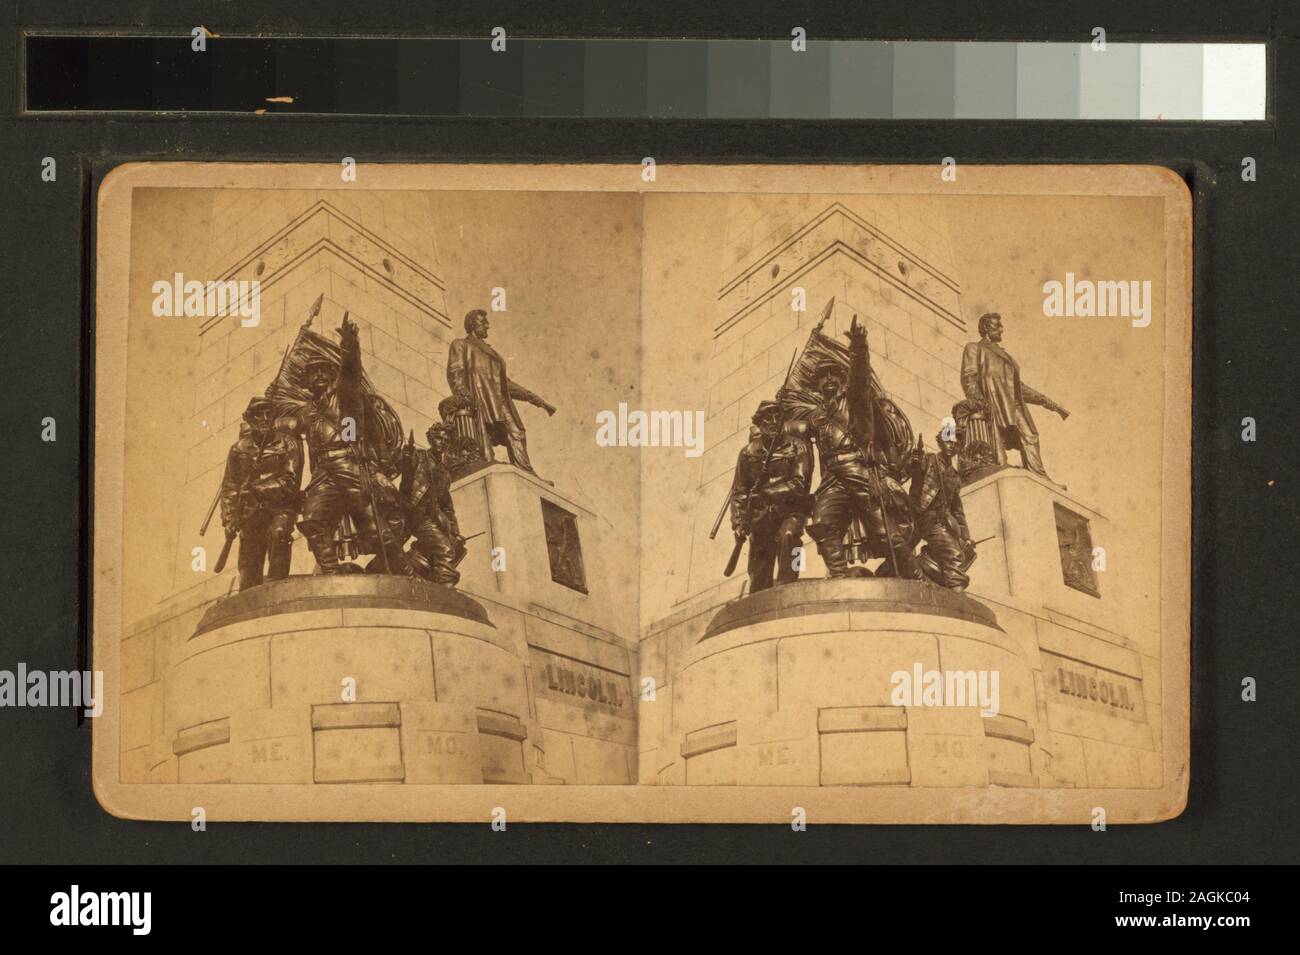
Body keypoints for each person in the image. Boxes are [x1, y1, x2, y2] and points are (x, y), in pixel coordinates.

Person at [789, 319, 919, 579]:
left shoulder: (855, 402)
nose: (827, 380)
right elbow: (792, 414)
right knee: (823, 523)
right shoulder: (817, 415)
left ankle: (916, 575)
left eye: (833, 375)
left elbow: (860, 377)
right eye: (822, 377)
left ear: (841, 381)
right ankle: (838, 574)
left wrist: (859, 348)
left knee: (884, 531)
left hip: (858, 469)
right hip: (833, 478)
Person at [286, 315, 407, 574]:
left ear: (331, 375)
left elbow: (351, 372)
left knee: (374, 528)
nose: (318, 375)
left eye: (323, 371)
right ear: (306, 380)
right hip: (323, 473)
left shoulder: (343, 394)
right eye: (312, 373)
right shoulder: (308, 411)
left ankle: (405, 571)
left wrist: (350, 344)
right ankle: (330, 571)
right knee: (313, 521)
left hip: (347, 462)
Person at [960, 312, 1069, 480]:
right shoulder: (975, 348)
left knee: (1030, 436)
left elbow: (1020, 388)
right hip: (993, 404)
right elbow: (969, 377)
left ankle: (1039, 476)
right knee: (996, 444)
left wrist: (1047, 402)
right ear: (986, 328)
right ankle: (1000, 469)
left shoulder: (1006, 357)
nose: (1002, 330)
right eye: (997, 326)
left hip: (1013, 406)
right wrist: (979, 402)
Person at [446, 309, 555, 473]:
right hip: (479, 399)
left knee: (517, 432)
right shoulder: (461, 344)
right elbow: (455, 372)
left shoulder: (492, 353)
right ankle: (486, 463)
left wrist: (537, 400)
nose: (487, 326)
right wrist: (463, 396)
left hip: (499, 402)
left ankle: (526, 472)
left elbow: (506, 384)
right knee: (483, 434)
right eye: (483, 323)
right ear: (472, 325)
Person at [729, 400, 813, 593]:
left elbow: (799, 484)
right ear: (759, 423)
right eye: (768, 419)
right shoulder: (747, 453)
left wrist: (767, 493)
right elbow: (740, 490)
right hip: (761, 515)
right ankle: (758, 598)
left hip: (791, 510)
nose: (774, 422)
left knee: (789, 537)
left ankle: (788, 585)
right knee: (759, 567)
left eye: (778, 417)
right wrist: (739, 521)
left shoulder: (797, 446)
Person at [219, 397, 302, 591]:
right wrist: (230, 519)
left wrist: (257, 489)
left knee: (279, 534)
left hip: (279, 507)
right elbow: (229, 486)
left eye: (268, 414)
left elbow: (289, 481)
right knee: (248, 564)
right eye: (258, 415)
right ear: (249, 419)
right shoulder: (238, 449)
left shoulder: (288, 443)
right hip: (250, 513)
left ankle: (276, 588)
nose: (264, 418)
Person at [911, 429, 977, 590]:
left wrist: (966, 537)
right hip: (922, 517)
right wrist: (915, 462)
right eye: (948, 441)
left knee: (902, 552)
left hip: (940, 522)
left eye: (956, 444)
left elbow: (957, 510)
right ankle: (958, 597)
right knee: (954, 555)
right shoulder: (928, 460)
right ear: (940, 441)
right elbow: (916, 472)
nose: (951, 446)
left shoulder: (954, 475)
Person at [402, 423, 465, 586]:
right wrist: (407, 459)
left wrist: (455, 531)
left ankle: (423, 570)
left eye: (445, 440)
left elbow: (447, 506)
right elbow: (406, 480)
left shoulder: (444, 472)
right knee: (445, 550)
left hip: (434, 516)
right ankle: (446, 589)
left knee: (451, 543)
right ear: (430, 439)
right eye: (438, 438)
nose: (441, 442)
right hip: (416, 514)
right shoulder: (419, 456)